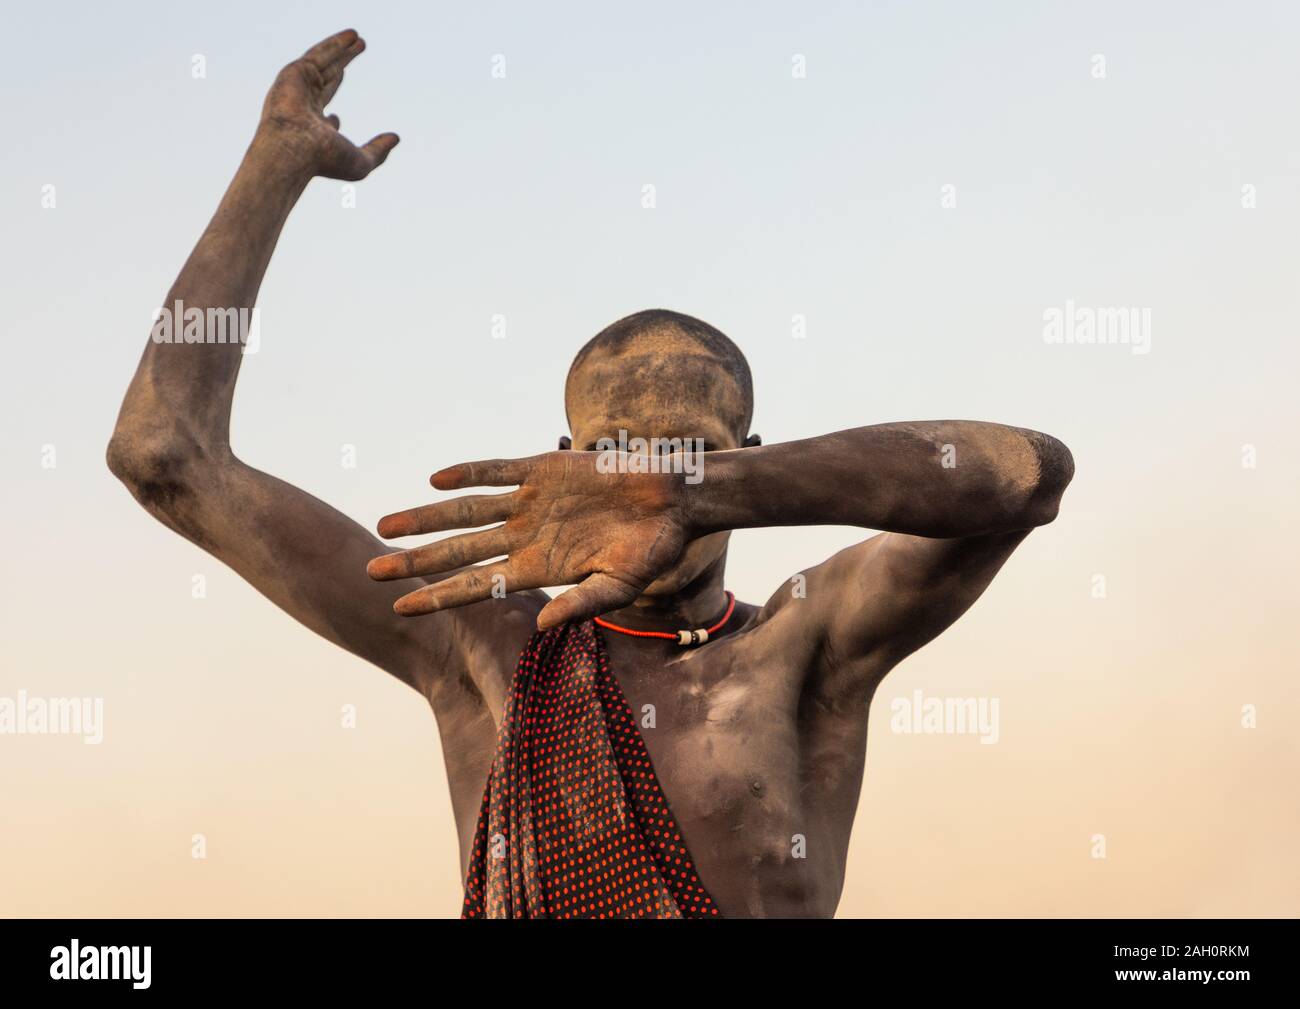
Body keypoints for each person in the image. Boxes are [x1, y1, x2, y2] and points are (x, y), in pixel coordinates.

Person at [108, 30, 1074, 918]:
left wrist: (696, 496)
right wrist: (274, 164)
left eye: (687, 449)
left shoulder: (805, 645)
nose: (645, 475)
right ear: (565, 466)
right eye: (617, 453)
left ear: (748, 454)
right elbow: (164, 455)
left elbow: (1027, 476)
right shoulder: (481, 649)